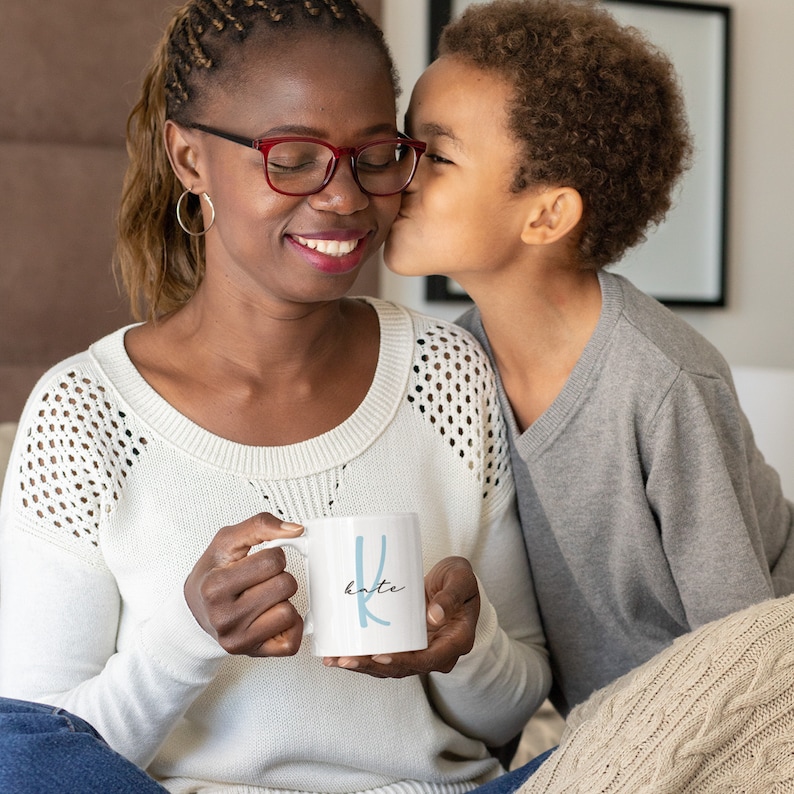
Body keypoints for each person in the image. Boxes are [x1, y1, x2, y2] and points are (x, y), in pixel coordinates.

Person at [0, 1, 551, 791]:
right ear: (188, 158)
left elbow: (512, 711)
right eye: (292, 157)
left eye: (375, 155)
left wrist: (469, 644)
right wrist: (186, 640)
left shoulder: (447, 371)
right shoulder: (85, 412)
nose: (344, 197)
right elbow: (35, 748)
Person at [386, 0, 794, 728]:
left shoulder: (663, 380)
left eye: (437, 155)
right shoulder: (452, 367)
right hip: (604, 729)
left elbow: (748, 660)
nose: (399, 176)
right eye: (403, 145)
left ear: (546, 215)